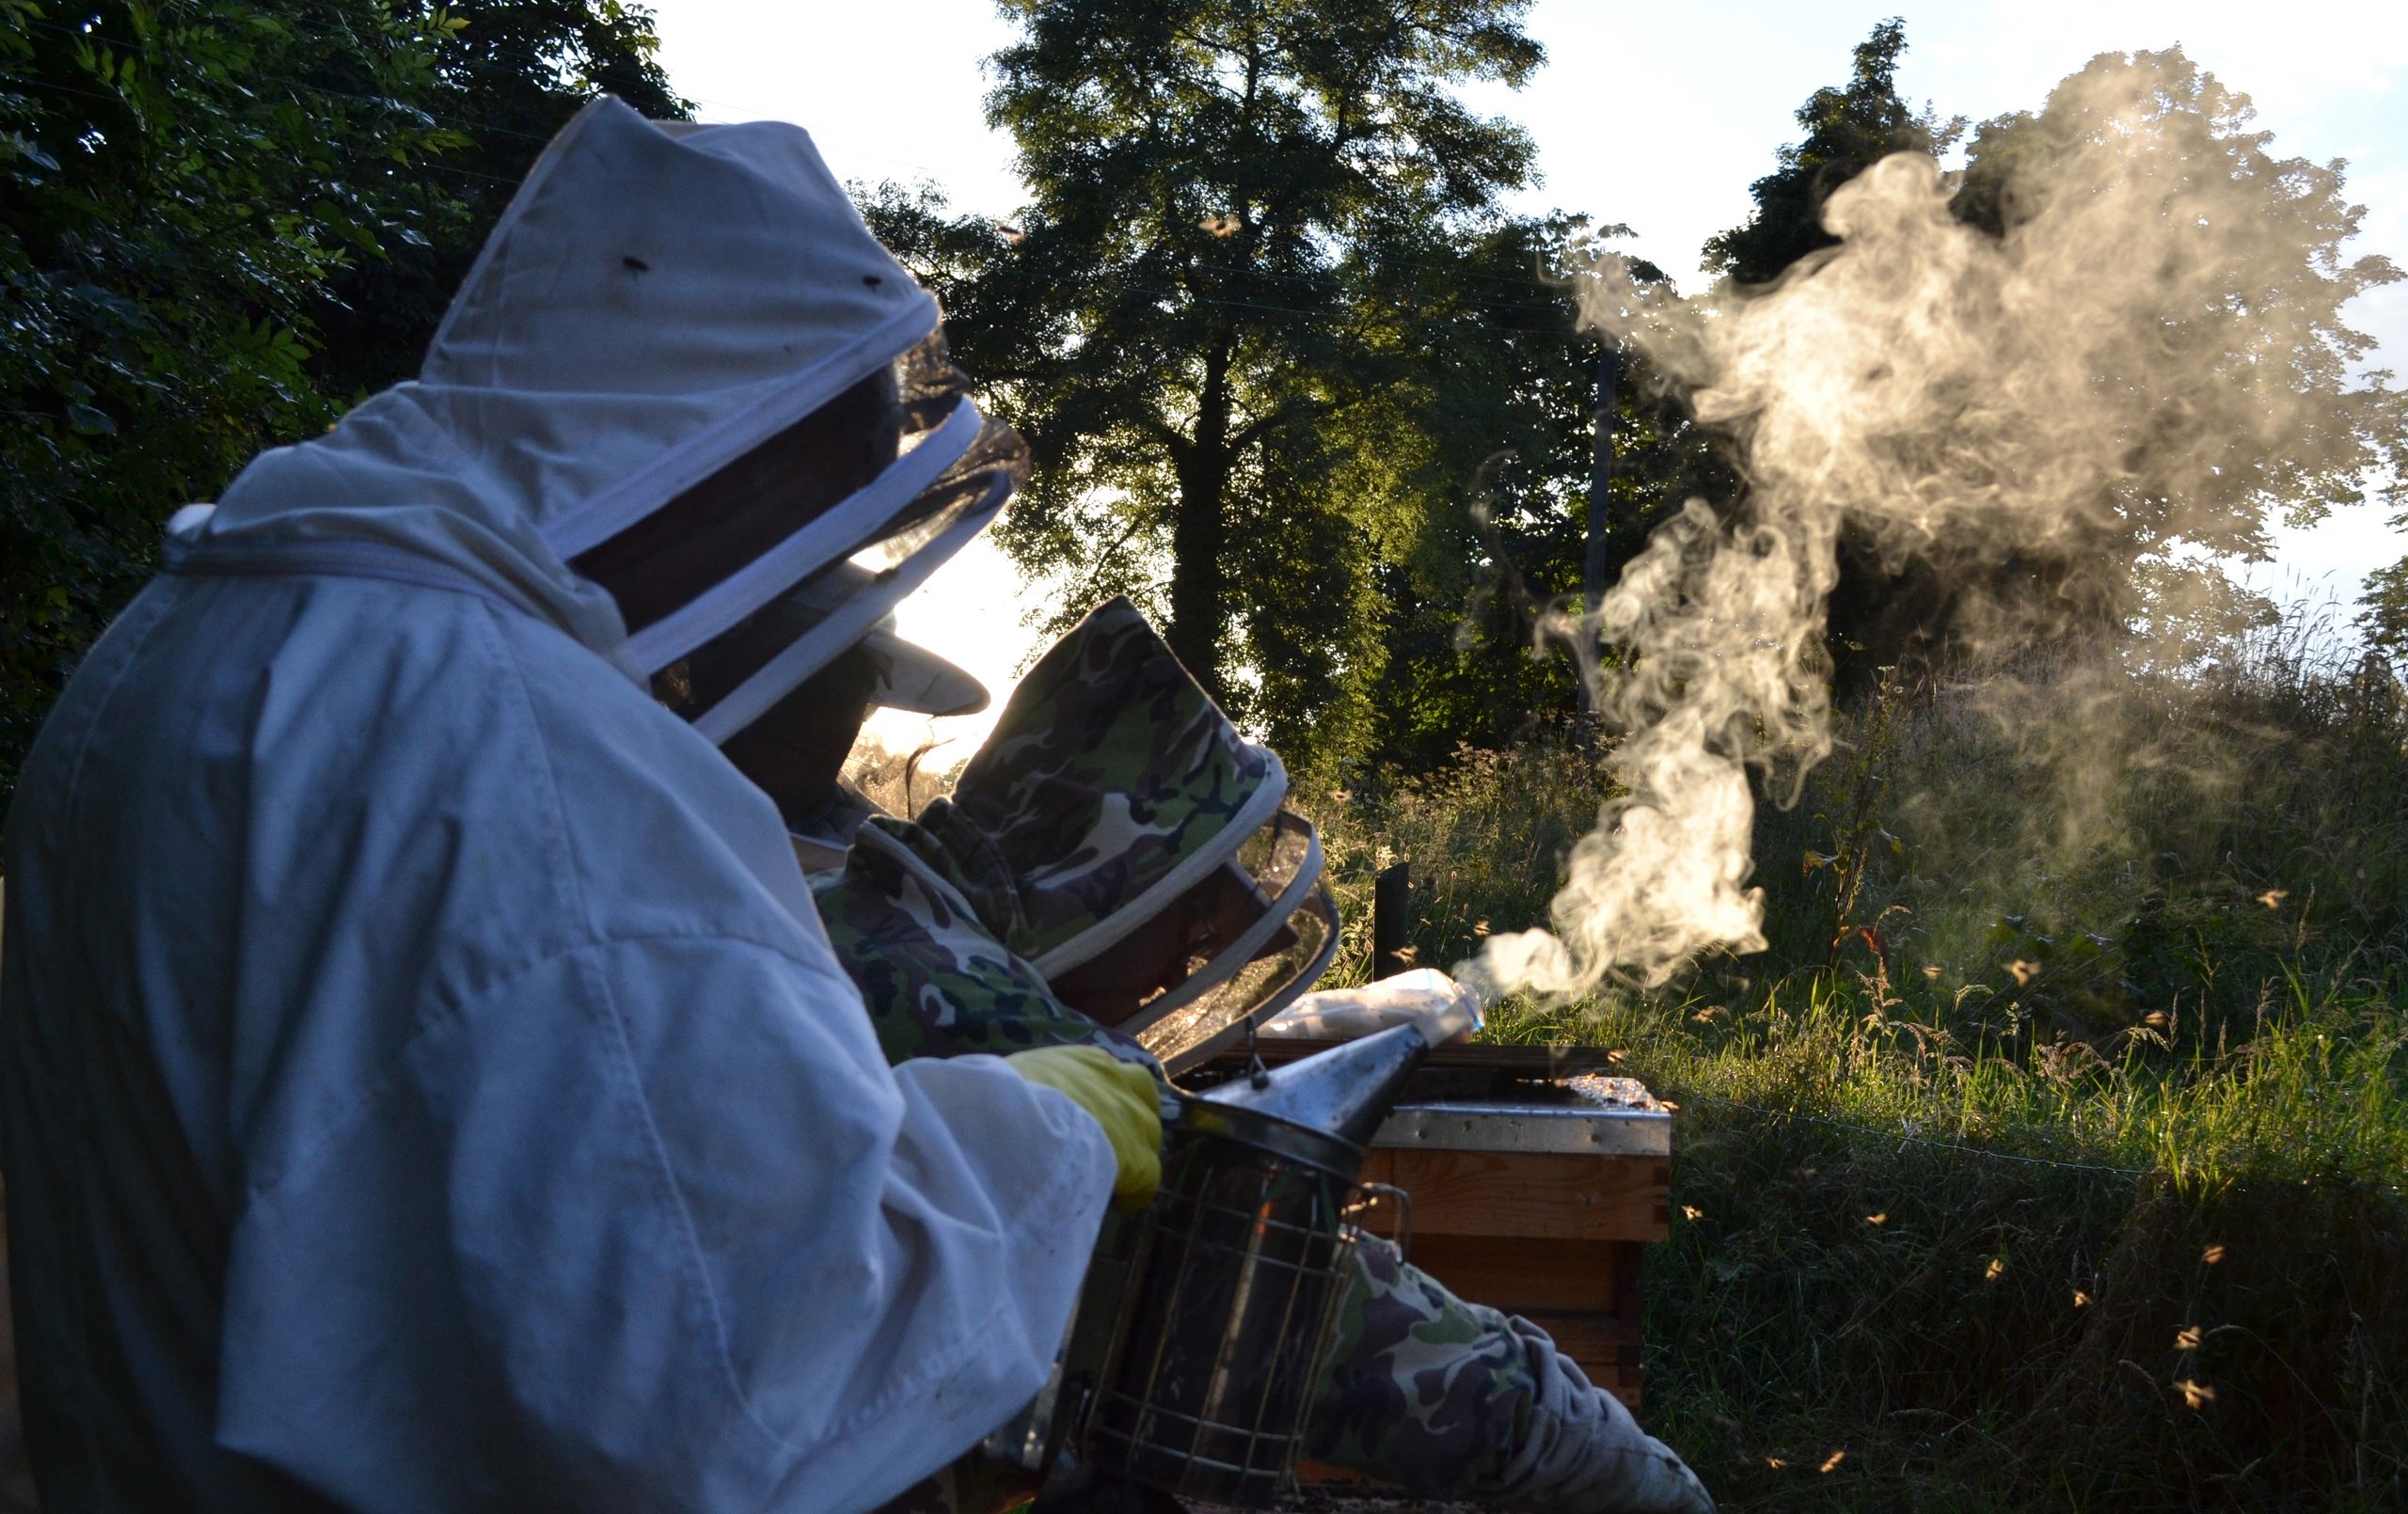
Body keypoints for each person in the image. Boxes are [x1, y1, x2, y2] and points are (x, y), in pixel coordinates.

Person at [0, 98, 1161, 1511]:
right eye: (837, 483)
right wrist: (1038, 1135)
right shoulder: (529, 758)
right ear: (711, 432)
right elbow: (730, 1383)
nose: (843, 544)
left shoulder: (199, 641)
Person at [723, 596, 1716, 1513]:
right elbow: (1302, 1295)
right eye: (1188, 905)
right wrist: (1623, 1468)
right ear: (1096, 870)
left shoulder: (860, 910)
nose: (1184, 962)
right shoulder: (943, 989)